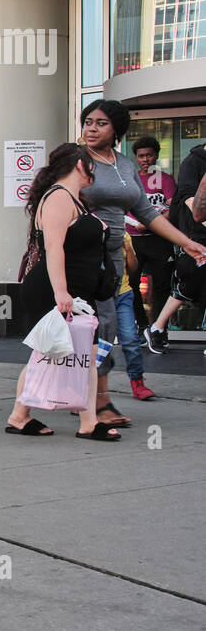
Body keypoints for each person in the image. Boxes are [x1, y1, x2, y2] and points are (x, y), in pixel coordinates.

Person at [79, 100, 205, 421]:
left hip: (114, 262)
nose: (91, 128)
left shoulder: (123, 166)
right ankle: (95, 407)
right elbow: (51, 197)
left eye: (101, 123)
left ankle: (91, 403)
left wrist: (186, 242)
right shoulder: (74, 159)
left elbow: (146, 212)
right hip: (81, 259)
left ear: (117, 130)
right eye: (88, 121)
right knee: (89, 334)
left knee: (104, 333)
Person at [7, 144, 114, 439]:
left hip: (74, 290)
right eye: (91, 164)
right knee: (48, 354)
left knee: (84, 356)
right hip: (56, 290)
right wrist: (61, 294)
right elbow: (53, 248)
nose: (94, 170)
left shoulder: (73, 200)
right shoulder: (58, 197)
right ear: (80, 164)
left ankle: (83, 421)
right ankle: (23, 416)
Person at [144, 141, 206, 352]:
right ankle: (157, 328)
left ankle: (157, 328)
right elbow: (188, 197)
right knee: (189, 281)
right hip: (196, 232)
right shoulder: (193, 161)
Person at [127, 137, 176, 345]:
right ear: (136, 158)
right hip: (134, 240)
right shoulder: (131, 180)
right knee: (131, 284)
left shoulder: (165, 180)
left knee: (162, 286)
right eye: (141, 156)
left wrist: (150, 224)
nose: (145, 159)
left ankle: (159, 329)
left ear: (156, 155)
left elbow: (173, 209)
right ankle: (140, 325)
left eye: (149, 155)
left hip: (159, 240)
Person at [116, 234, 153, 400]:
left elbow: (133, 268)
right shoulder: (92, 229)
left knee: (131, 339)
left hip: (123, 293)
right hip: (99, 294)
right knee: (96, 344)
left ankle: (138, 382)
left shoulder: (124, 235)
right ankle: (87, 388)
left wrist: (129, 248)